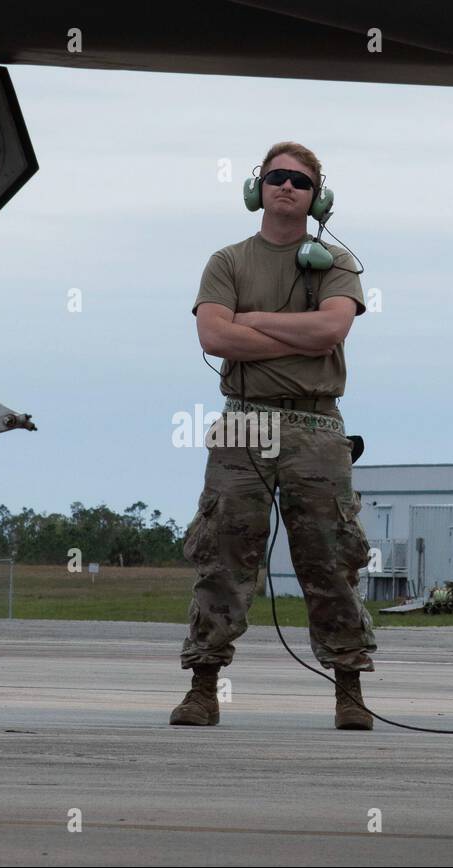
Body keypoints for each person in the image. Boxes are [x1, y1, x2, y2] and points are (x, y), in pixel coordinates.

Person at [172, 140, 377, 730]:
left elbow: (331, 330)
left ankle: (349, 690)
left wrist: (252, 321)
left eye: (301, 181)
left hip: (315, 424)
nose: (287, 187)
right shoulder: (227, 261)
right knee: (222, 556)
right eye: (277, 177)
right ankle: (203, 686)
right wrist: (296, 334)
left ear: (319, 197)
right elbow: (214, 337)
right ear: (257, 187)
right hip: (243, 422)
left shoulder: (336, 263)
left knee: (331, 557)